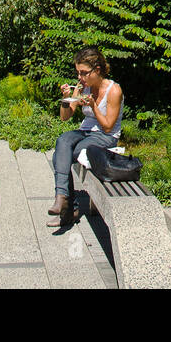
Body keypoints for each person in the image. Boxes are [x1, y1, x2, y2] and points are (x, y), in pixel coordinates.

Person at [48, 46, 123, 226]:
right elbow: (65, 117)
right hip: (86, 132)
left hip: (106, 136)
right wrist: (67, 100)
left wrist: (94, 106)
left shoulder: (114, 90)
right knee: (63, 140)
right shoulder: (83, 87)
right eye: (78, 73)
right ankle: (62, 198)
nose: (79, 78)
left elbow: (107, 126)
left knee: (66, 154)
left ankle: (68, 208)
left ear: (97, 70)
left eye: (83, 73)